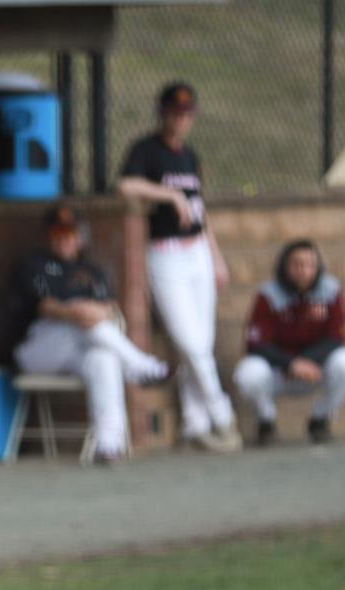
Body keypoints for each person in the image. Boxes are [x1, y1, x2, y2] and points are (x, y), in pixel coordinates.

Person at [117, 82, 240, 453]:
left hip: (196, 251)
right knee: (190, 341)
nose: (181, 120)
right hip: (165, 252)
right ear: (163, 113)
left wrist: (216, 256)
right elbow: (125, 186)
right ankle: (222, 415)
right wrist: (168, 194)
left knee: (201, 343)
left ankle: (194, 423)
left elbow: (200, 208)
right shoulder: (146, 150)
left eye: (186, 114)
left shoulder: (189, 155)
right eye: (175, 113)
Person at [10, 205, 169, 465]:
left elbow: (110, 307)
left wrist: (95, 311)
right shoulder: (35, 264)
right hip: (37, 350)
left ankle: (108, 444)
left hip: (79, 348)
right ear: (49, 235)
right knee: (81, 320)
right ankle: (138, 364)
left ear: (80, 236)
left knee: (104, 359)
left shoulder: (91, 270)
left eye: (70, 233)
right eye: (58, 233)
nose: (64, 239)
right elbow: (45, 306)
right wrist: (76, 311)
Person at [234, 239, 345, 445]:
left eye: (310, 264)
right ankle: (266, 421)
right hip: (279, 371)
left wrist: (307, 361)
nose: (304, 270)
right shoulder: (268, 295)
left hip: (315, 370)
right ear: (285, 266)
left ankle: (320, 419)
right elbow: (256, 343)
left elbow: (338, 336)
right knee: (248, 373)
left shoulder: (330, 291)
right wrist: (291, 363)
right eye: (297, 264)